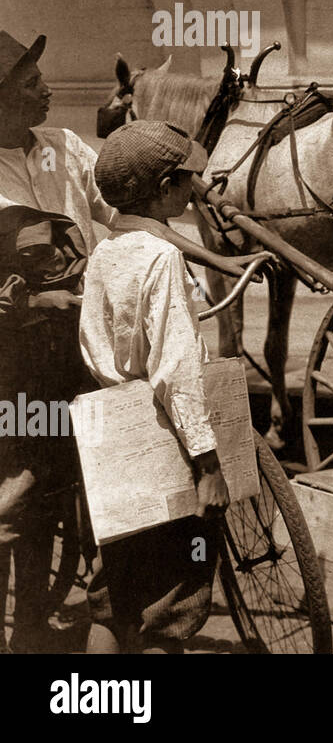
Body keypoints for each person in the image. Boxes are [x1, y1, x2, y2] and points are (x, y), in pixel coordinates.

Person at [78, 121, 230, 654]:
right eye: (189, 179)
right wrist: (208, 467)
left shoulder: (104, 252)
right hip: (165, 444)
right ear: (166, 187)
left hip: (113, 445)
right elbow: (177, 372)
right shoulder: (162, 257)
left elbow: (96, 343)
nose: (195, 189)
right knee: (172, 604)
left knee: (114, 596)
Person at [0, 30, 112, 653]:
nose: (47, 89)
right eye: (30, 82)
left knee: (78, 481)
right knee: (17, 497)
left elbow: (122, 206)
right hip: (12, 361)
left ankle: (46, 624)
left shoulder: (67, 148)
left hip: (79, 347)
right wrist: (37, 300)